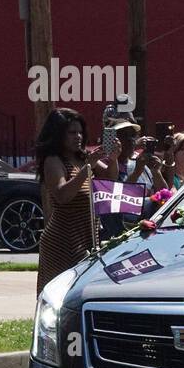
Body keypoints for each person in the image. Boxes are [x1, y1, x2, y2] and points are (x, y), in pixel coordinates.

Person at [35, 108, 116, 296]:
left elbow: (110, 180)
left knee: (81, 293)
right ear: (58, 134)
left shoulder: (83, 157)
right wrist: (87, 169)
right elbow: (62, 195)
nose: (78, 136)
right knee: (60, 296)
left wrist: (112, 159)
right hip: (62, 241)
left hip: (85, 238)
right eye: (72, 132)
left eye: (80, 132)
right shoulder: (53, 160)